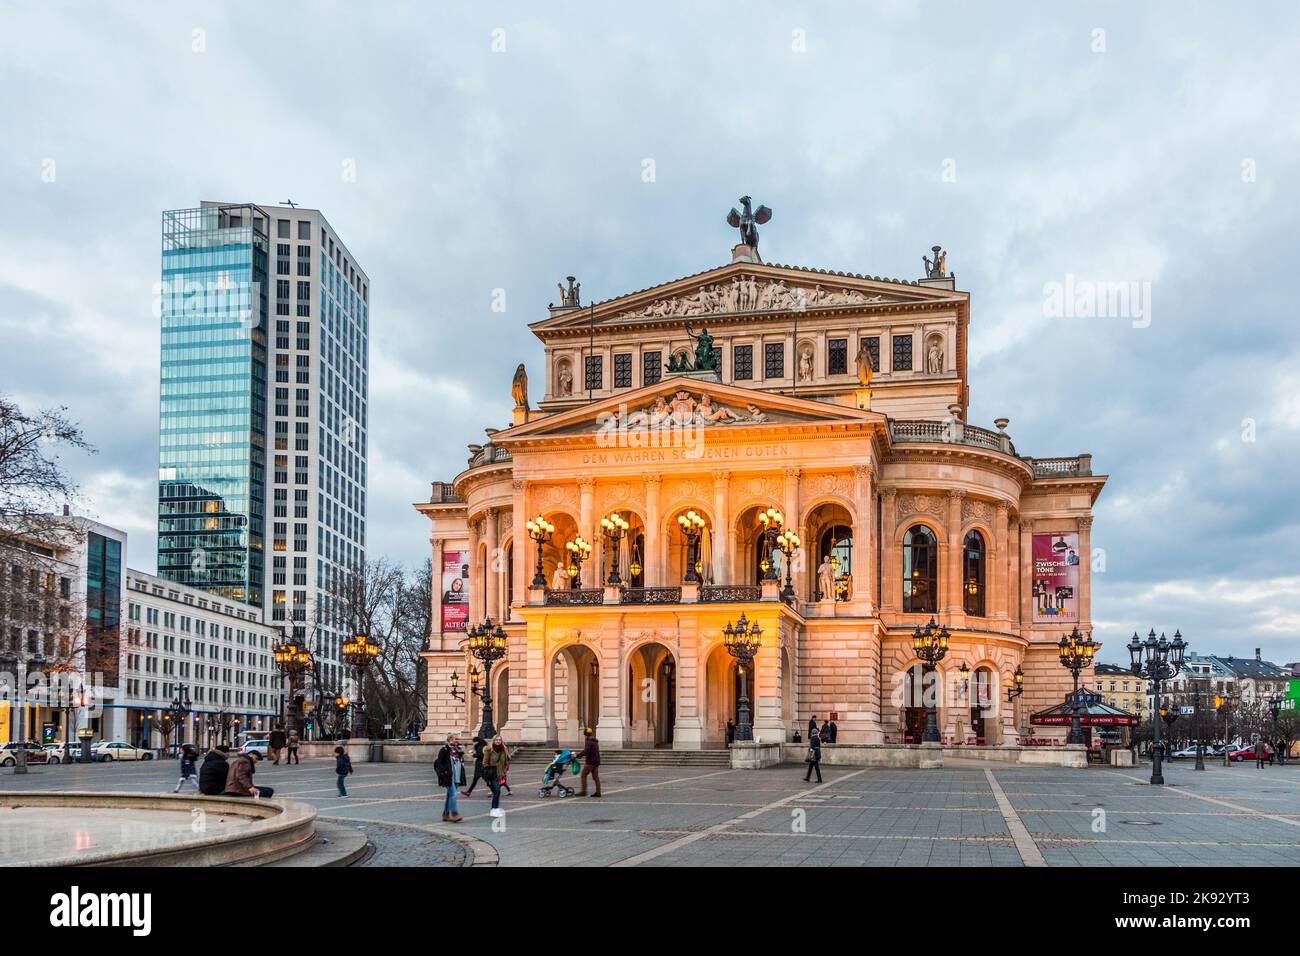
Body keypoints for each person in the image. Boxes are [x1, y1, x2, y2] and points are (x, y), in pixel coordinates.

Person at [434, 733, 465, 823]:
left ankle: (446, 814)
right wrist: (444, 772)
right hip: (448, 776)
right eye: (454, 739)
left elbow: (460, 763)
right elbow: (439, 762)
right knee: (454, 794)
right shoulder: (444, 750)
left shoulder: (458, 750)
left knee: (449, 795)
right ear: (449, 740)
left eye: (457, 739)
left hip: (456, 775)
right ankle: (454, 814)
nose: (456, 740)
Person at [482, 734, 510, 817]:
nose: (498, 741)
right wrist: (489, 771)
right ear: (493, 741)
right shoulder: (489, 749)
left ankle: (495, 809)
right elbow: (485, 762)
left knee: (497, 792)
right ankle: (494, 809)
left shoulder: (503, 750)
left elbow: (505, 762)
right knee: (497, 791)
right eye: (496, 740)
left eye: (499, 740)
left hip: (500, 774)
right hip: (492, 774)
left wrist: (504, 771)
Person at [577, 727, 602, 798]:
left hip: (590, 762)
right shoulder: (594, 741)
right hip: (596, 762)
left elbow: (586, 751)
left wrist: (578, 755)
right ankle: (598, 792)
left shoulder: (589, 742)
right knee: (596, 778)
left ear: (585, 734)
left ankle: (583, 791)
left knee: (583, 775)